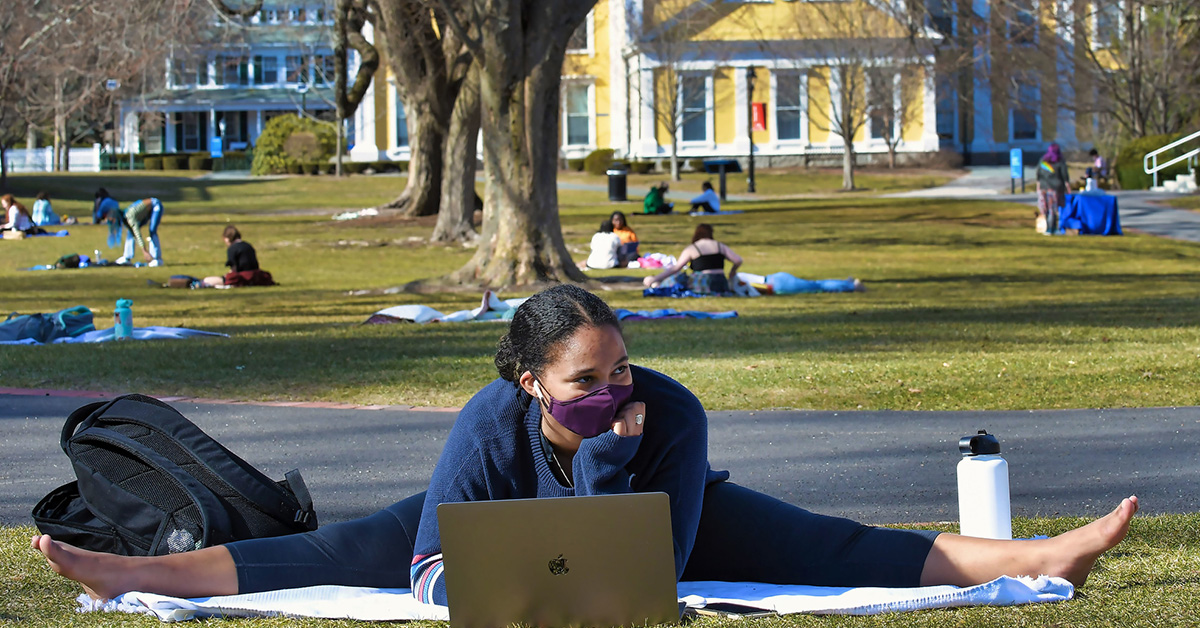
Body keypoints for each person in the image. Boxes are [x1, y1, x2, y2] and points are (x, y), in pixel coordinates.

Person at [32, 285, 1140, 606]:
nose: (613, 390)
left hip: (673, 517)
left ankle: (1046, 553)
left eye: (620, 369)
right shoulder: (484, 423)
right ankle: (131, 570)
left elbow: (645, 572)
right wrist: (471, 580)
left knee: (843, 546)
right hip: (493, 531)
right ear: (526, 381)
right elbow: (427, 567)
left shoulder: (671, 411)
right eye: (584, 381)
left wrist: (614, 451)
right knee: (332, 551)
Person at [643, 223, 743, 295]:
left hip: (702, 282)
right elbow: (738, 260)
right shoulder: (720, 246)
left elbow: (676, 268)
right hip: (721, 283)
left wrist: (655, 278)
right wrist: (732, 271)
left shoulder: (693, 248)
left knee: (677, 278)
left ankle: (657, 285)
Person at [202, 225, 275, 287]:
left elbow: (233, 269)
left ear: (227, 239)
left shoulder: (232, 249)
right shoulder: (248, 245)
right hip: (256, 276)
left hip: (241, 277)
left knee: (207, 280)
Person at [102, 197, 164, 266]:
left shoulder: (130, 217)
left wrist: (145, 251)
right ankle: (127, 257)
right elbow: (133, 233)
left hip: (155, 205)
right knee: (130, 233)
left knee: (152, 230)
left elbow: (137, 233)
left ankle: (157, 259)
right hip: (145, 212)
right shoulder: (125, 219)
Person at [1036, 143, 1070, 235]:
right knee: (1053, 209)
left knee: (1045, 209)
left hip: (1043, 188)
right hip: (1055, 188)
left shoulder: (1043, 161)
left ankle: (1048, 229)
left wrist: (1038, 187)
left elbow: (1038, 175)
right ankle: (1052, 229)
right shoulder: (1059, 161)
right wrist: (1068, 187)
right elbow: (1065, 176)